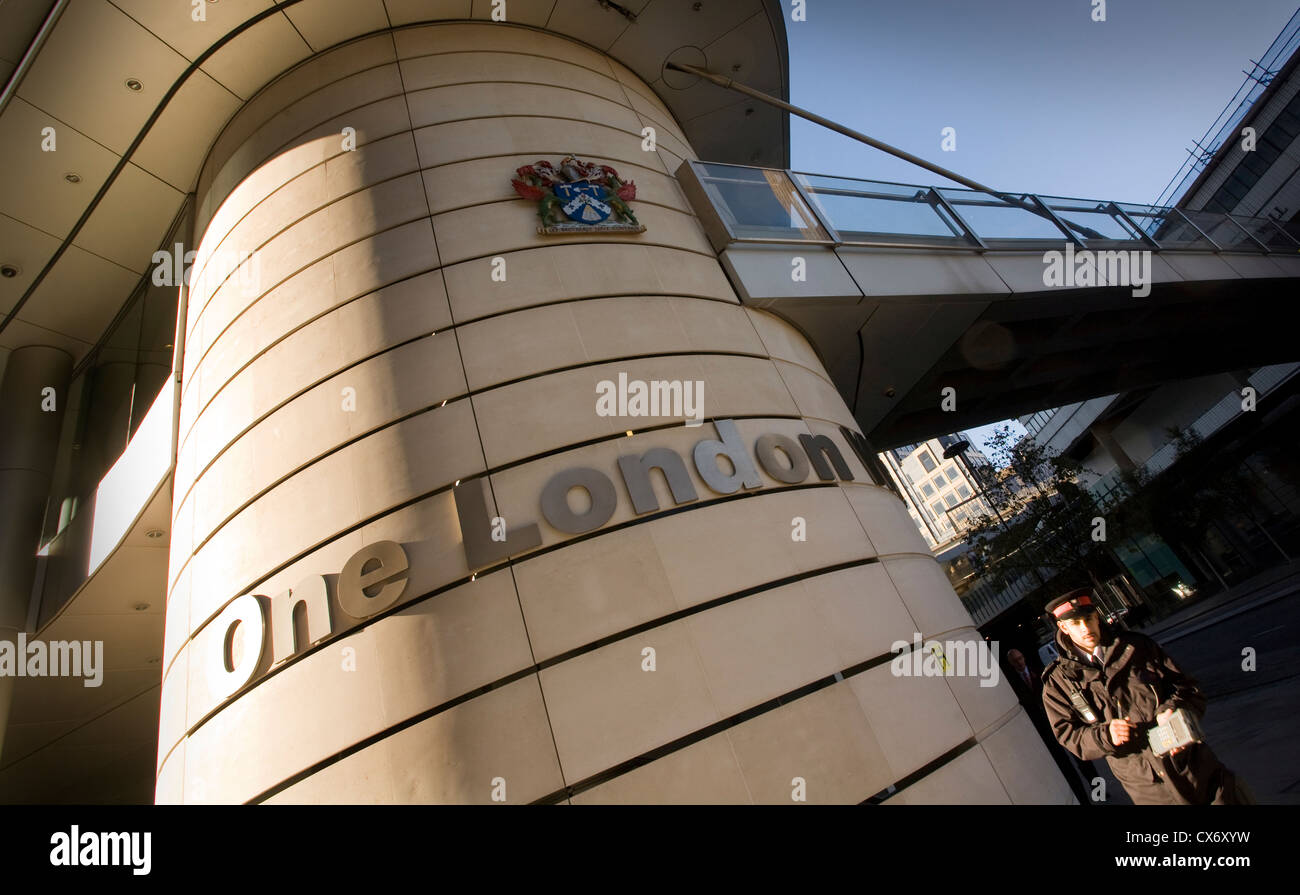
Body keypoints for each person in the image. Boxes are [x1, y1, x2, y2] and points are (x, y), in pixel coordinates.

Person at [1039, 588, 1248, 805]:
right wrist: (1106, 735)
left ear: (1097, 617)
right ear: (1063, 627)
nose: (1085, 628)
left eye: (1089, 619)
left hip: (1195, 768)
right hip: (1146, 786)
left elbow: (1188, 688)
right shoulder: (1058, 682)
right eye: (1075, 623)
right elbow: (1067, 734)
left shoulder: (1136, 647)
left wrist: (1175, 712)